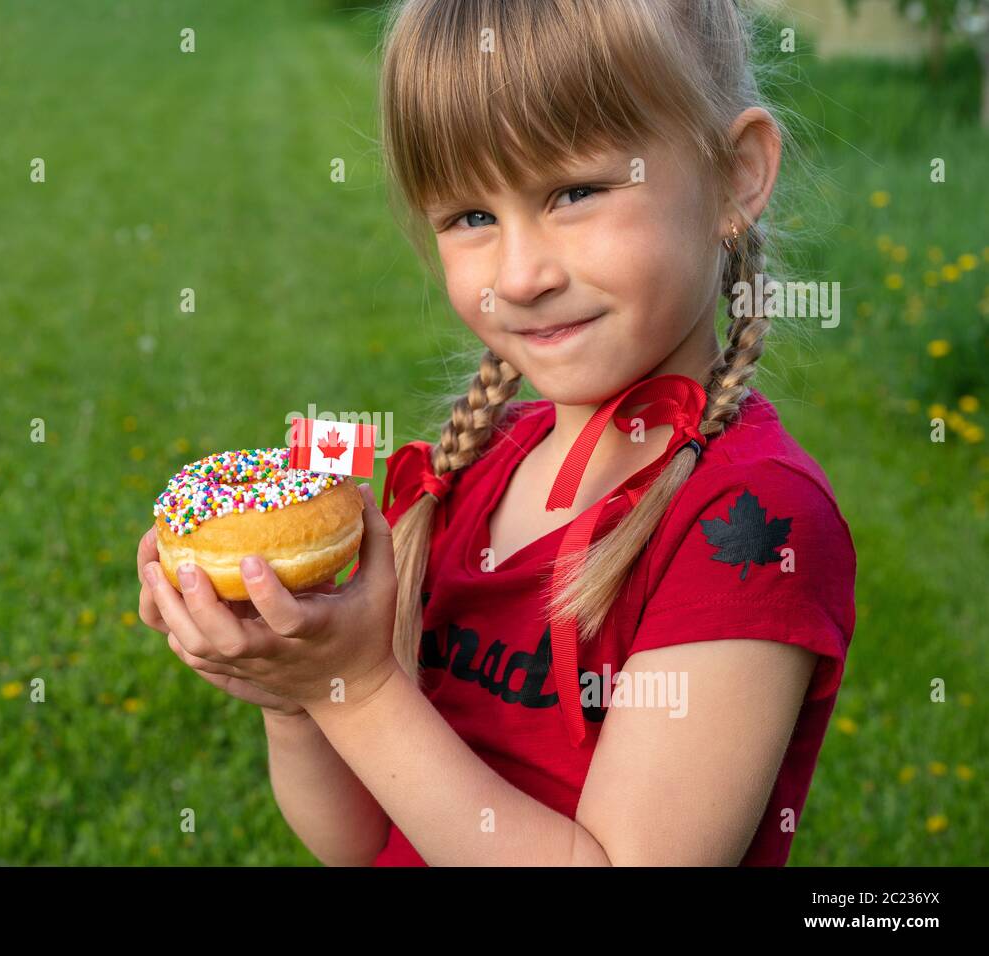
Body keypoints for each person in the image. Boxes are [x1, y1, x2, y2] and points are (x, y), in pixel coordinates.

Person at [138, 0, 856, 866]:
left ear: (736, 176)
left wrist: (363, 691)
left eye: (575, 192)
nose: (520, 277)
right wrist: (302, 695)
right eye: (470, 217)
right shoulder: (477, 473)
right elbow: (362, 842)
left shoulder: (751, 524)